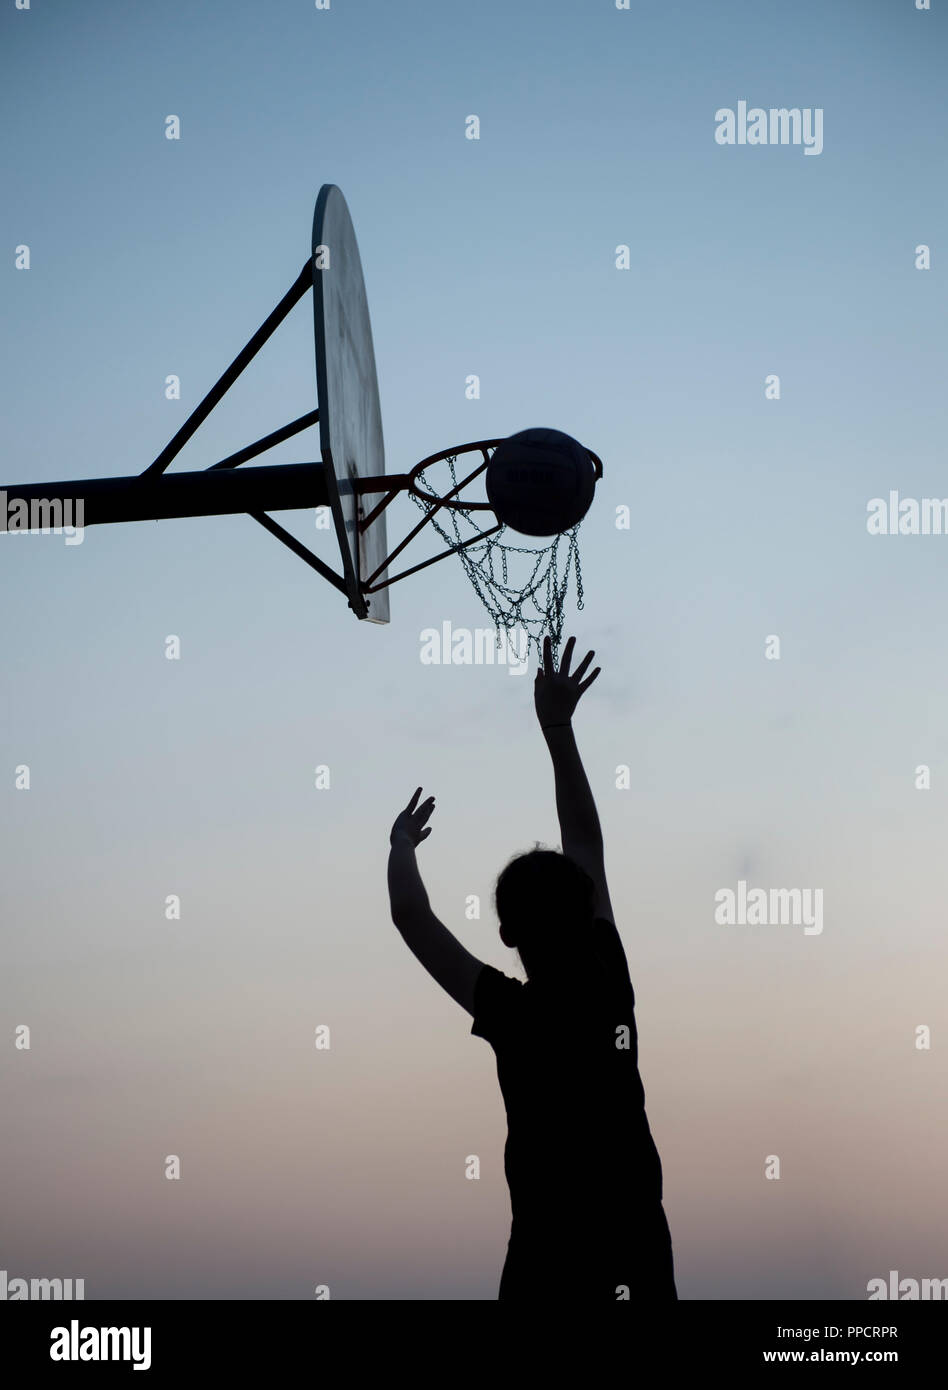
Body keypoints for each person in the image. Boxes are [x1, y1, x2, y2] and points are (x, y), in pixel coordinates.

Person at [387, 635, 677, 1302]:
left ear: (507, 932)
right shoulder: (610, 980)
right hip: (637, 1260)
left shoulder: (513, 1016)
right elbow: (587, 840)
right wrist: (557, 727)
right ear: (586, 915)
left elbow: (411, 917)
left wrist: (401, 844)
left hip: (544, 1271)